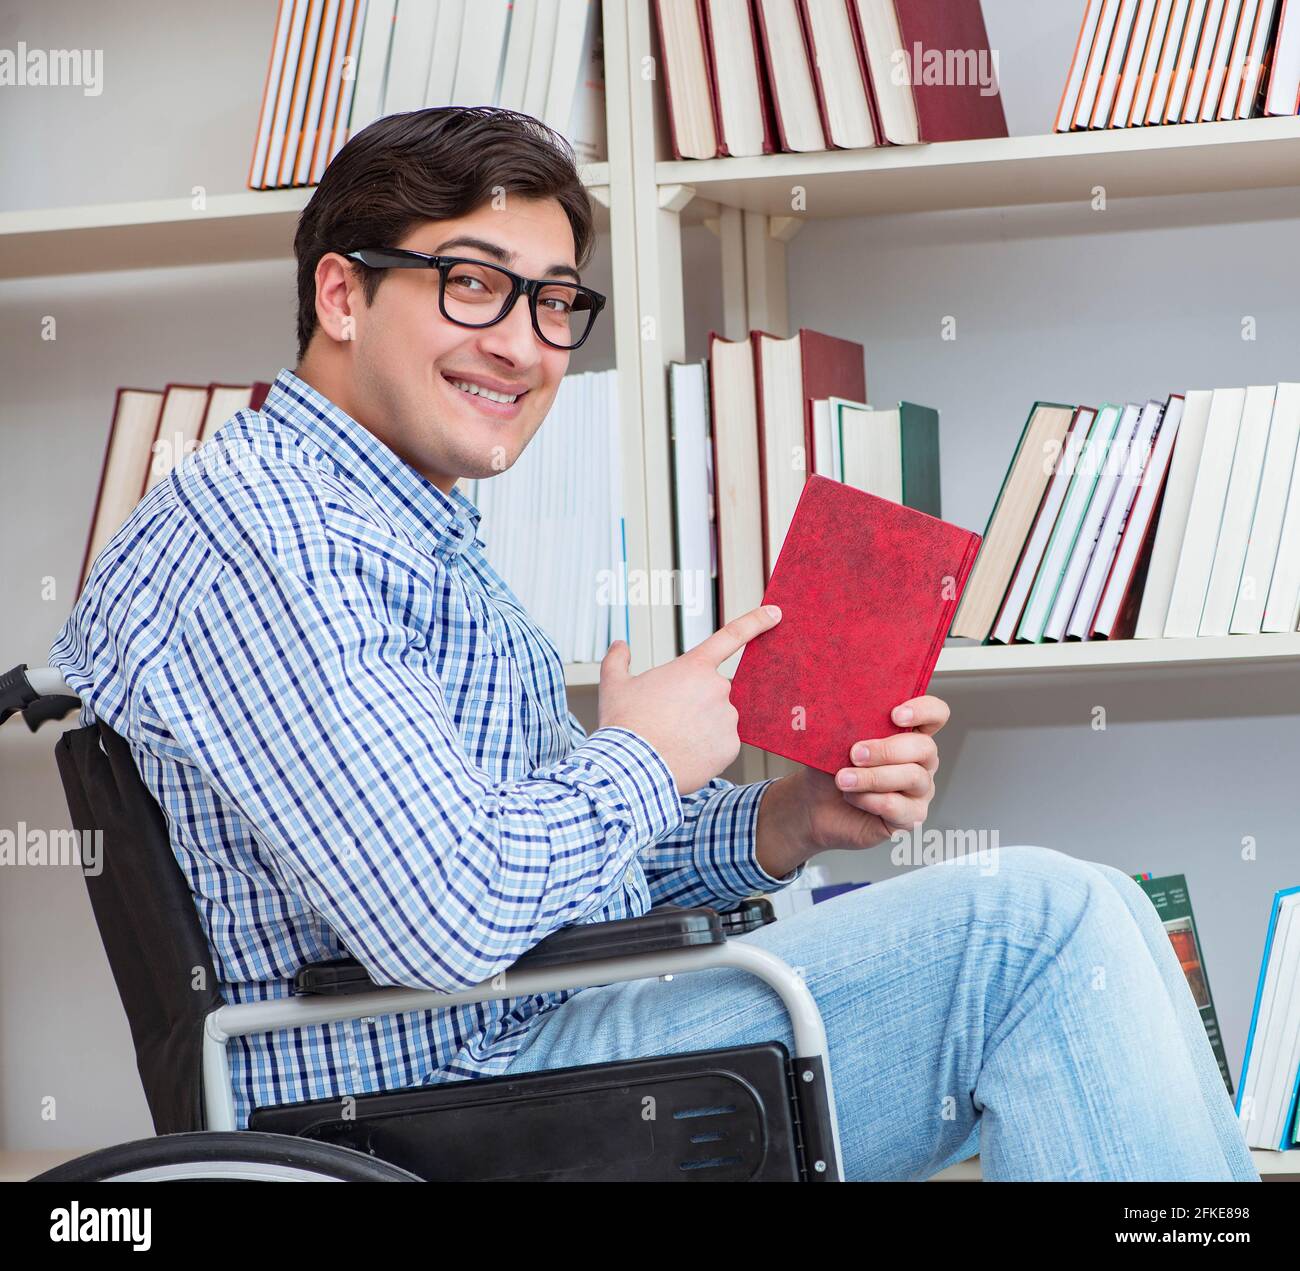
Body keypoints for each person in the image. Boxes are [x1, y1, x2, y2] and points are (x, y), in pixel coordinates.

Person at [49, 106, 1259, 1181]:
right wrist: (643, 753)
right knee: (1043, 928)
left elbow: (529, 868)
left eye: (554, 301)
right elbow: (450, 915)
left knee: (1093, 905)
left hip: (536, 1039)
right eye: (472, 284)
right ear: (342, 294)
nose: (522, 344)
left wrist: (778, 823)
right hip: (446, 1102)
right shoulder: (269, 535)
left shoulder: (391, 517)